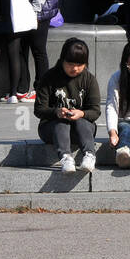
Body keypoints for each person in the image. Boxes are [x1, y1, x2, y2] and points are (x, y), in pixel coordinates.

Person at [33, 37, 101, 174]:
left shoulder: (89, 79)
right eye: (70, 64)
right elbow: (39, 109)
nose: (75, 68)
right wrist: (56, 112)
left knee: (82, 121)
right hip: (52, 130)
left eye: (80, 65)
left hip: (81, 130)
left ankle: (89, 155)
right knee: (62, 122)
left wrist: (81, 113)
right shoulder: (49, 77)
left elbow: (95, 111)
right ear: (62, 60)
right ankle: (66, 158)